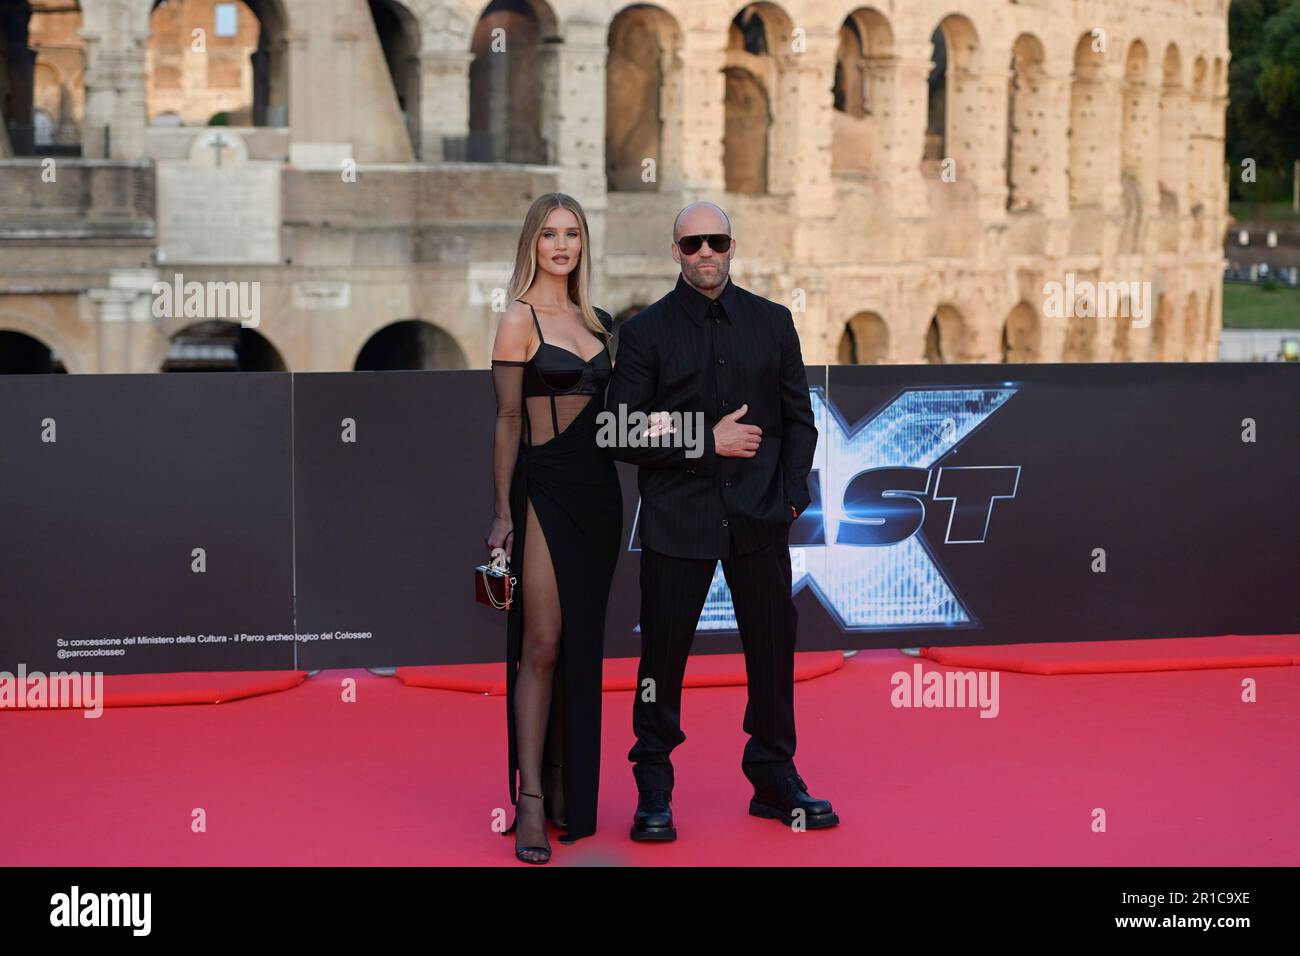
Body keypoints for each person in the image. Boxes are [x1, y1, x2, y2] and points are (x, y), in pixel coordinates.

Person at [603, 200, 839, 840]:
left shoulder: (773, 323)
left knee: (771, 653)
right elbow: (618, 428)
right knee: (661, 661)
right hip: (678, 523)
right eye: (691, 244)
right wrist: (706, 438)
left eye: (716, 241)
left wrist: (790, 501)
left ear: (732, 247)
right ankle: (654, 786)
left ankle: (774, 775)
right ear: (674, 253)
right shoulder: (646, 333)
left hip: (760, 519)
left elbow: (799, 421)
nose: (705, 253)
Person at [486, 193, 623, 863]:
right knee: (540, 642)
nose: (561, 245)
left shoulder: (597, 321)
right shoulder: (519, 319)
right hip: (544, 491)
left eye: (571, 233)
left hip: (601, 496)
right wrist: (503, 514)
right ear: (532, 244)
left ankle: (570, 783)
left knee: (580, 647)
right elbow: (508, 420)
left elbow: (618, 416)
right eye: (549, 234)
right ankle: (532, 798)